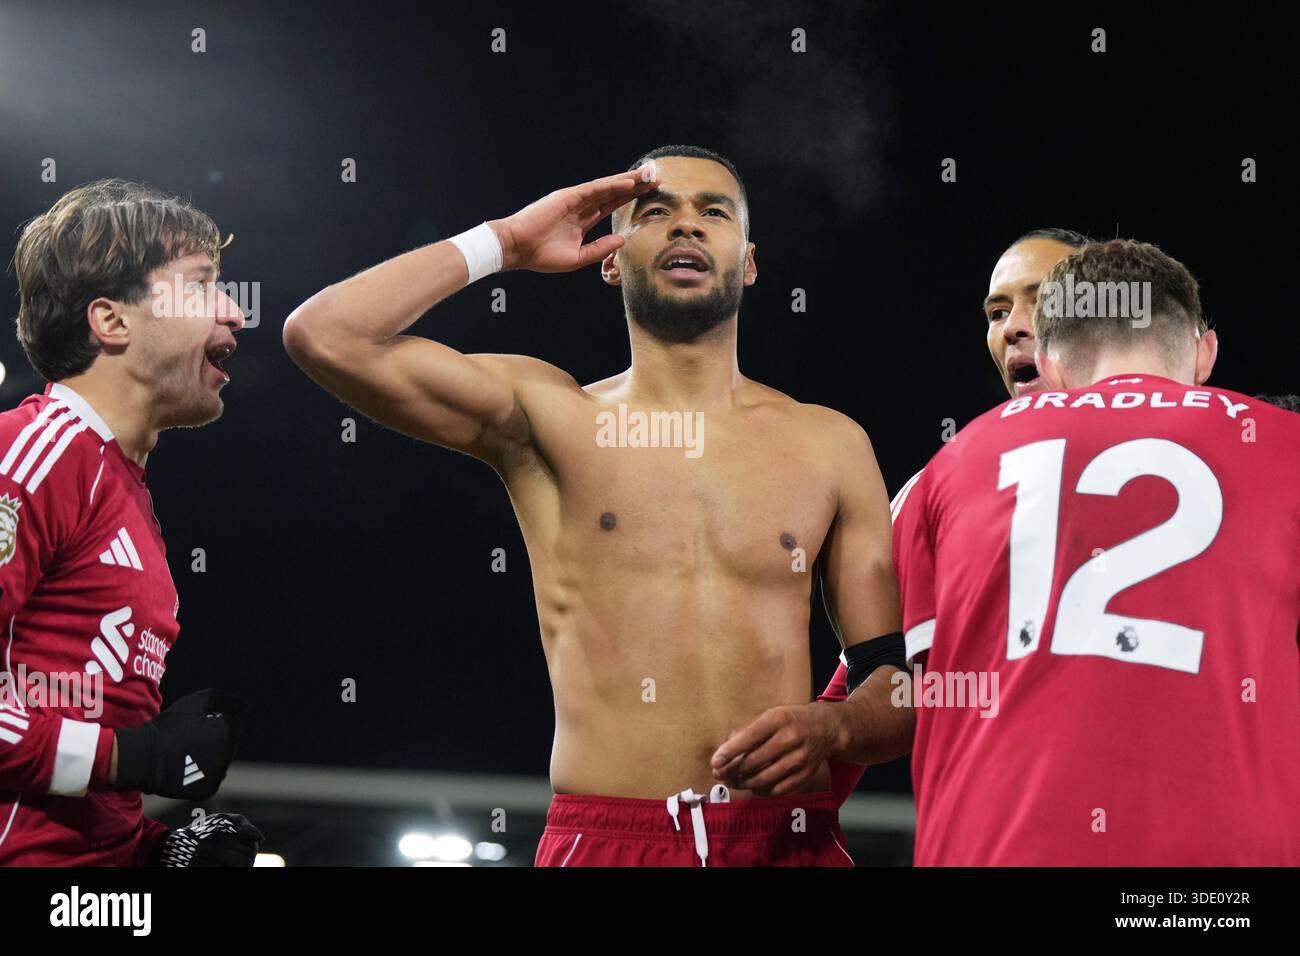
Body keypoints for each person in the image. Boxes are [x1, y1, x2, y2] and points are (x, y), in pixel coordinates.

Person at [284, 146, 911, 866]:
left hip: (782, 841)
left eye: (714, 212)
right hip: (610, 840)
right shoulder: (549, 416)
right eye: (655, 212)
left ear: (750, 260)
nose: (687, 227)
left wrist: (832, 731)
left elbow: (892, 692)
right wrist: (507, 242)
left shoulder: (831, 444)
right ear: (609, 259)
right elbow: (324, 335)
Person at [895, 238, 1298, 864]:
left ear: (1050, 367)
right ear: (1205, 352)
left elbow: (919, 690)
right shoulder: (1283, 445)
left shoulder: (950, 467)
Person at [720, 228, 1093, 804]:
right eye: (997, 311)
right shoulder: (936, 493)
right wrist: (792, 811)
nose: (1014, 325)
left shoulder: (1228, 457)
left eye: (1043, 301)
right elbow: (891, 688)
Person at [0, 180, 261, 866]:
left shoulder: (123, 488)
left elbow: (66, 794)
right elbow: (101, 762)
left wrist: (157, 850)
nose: (236, 312)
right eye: (202, 287)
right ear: (112, 322)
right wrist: (130, 754)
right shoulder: (33, 454)